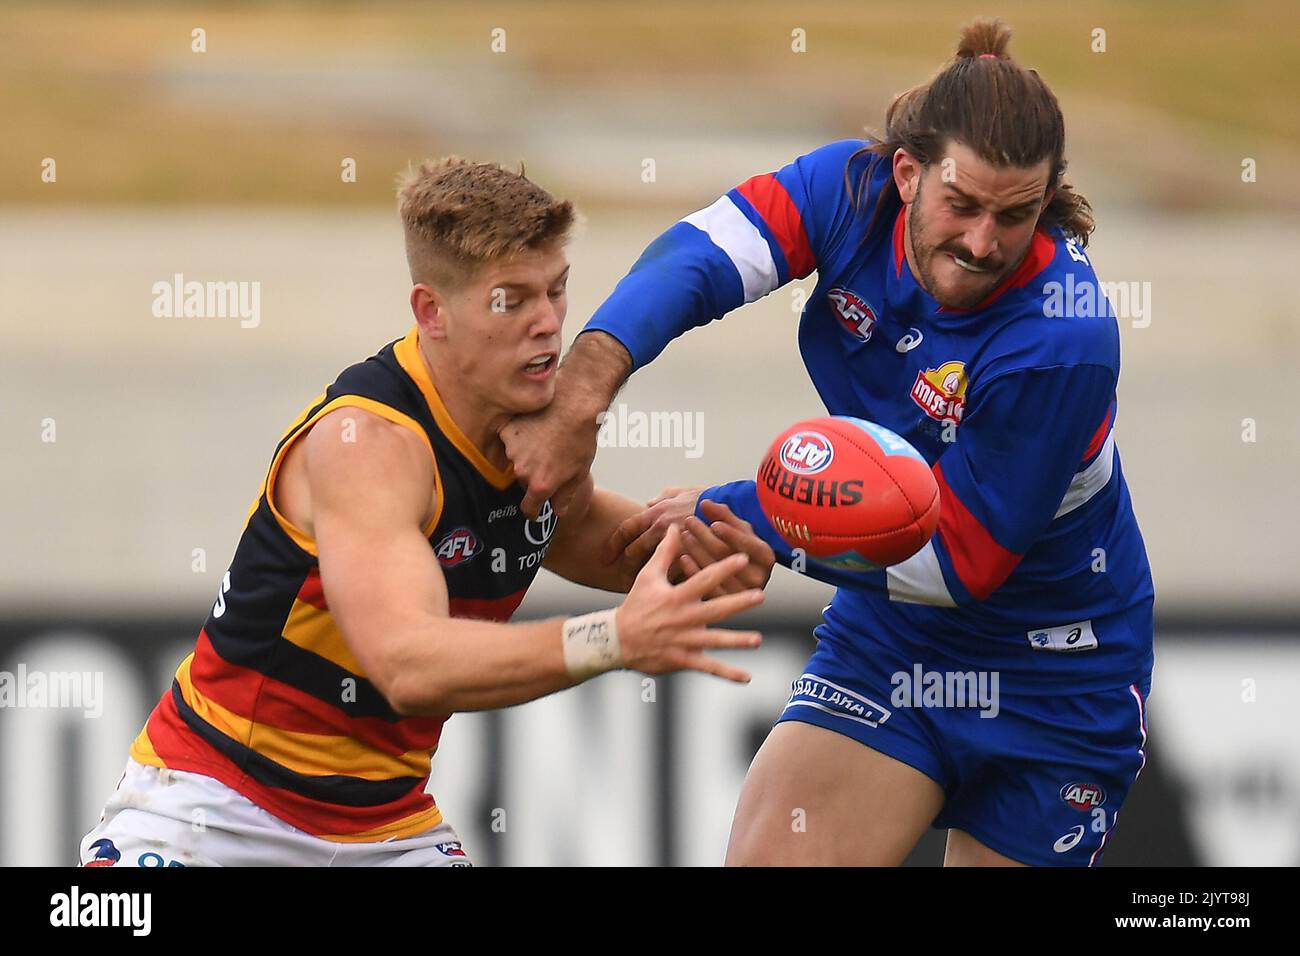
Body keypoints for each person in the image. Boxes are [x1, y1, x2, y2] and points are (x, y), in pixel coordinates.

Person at [502, 18, 1155, 867]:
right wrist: (581, 395)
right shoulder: (849, 191)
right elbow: (699, 258)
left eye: (1016, 215)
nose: (982, 243)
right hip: (896, 642)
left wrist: (743, 515)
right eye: (960, 205)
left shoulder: (1063, 336)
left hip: (1057, 671)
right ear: (908, 171)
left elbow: (959, 564)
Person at [78, 157, 771, 868]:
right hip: (214, 811)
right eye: (511, 300)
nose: (547, 325)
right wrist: (614, 639)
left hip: (386, 828)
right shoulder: (367, 444)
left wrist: (724, 546)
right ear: (431, 312)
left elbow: (605, 545)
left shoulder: (539, 434)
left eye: (556, 292)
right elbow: (406, 663)